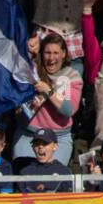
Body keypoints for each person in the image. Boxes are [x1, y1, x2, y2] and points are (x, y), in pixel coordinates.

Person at [14, 32, 80, 165]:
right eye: (47, 53)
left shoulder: (70, 75)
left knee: (53, 181)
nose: (51, 58)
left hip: (58, 138)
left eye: (56, 53)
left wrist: (48, 92)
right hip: (29, 135)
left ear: (63, 54)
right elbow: (17, 115)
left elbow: (68, 110)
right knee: (24, 179)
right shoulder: (31, 72)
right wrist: (30, 107)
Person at [17, 127, 72, 193]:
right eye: (37, 144)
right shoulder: (25, 171)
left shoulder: (63, 171)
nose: (40, 147)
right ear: (32, 147)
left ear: (55, 146)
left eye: (45, 143)